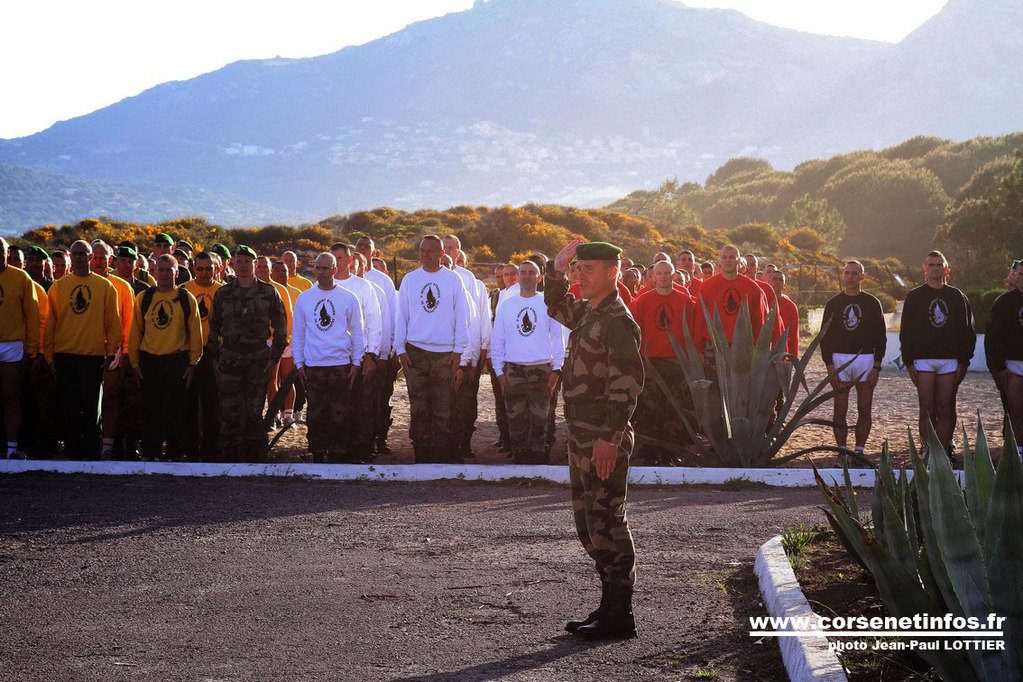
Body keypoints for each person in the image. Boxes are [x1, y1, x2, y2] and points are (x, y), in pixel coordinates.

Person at [546, 239, 643, 640]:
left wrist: (610, 437)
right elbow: (555, 304)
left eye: (588, 269)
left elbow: (628, 385)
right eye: (577, 268)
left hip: (604, 438)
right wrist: (555, 268)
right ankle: (608, 605)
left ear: (612, 273)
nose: (578, 276)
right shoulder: (589, 312)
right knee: (590, 525)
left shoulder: (617, 321)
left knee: (609, 522)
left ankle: (621, 614)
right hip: (582, 437)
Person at [394, 235, 471, 463]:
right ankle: (422, 454)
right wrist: (400, 348)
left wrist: (459, 351)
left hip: (445, 353)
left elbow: (461, 316)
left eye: (429, 251)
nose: (424, 255)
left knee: (443, 405)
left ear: (440, 254)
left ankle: (441, 456)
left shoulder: (453, 280)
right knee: (419, 405)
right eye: (421, 250)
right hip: (416, 351)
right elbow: (402, 316)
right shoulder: (410, 279)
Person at [207, 246, 288, 463]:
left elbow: (281, 329)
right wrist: (214, 358)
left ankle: (254, 458)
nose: (243, 265)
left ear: (255, 264)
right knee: (228, 412)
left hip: (257, 360)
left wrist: (274, 358)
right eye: (239, 261)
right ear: (232, 264)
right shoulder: (223, 293)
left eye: (247, 261)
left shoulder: (269, 292)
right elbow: (214, 327)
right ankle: (227, 458)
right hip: (229, 359)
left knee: (254, 412)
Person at [44, 240, 122, 459]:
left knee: (91, 410)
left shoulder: (105, 286)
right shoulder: (58, 286)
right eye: (75, 253)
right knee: (68, 409)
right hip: (65, 356)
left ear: (90, 257)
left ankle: (90, 455)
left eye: (83, 254)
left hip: (93, 357)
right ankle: (70, 454)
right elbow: (50, 324)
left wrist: (111, 353)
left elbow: (113, 324)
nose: (79, 257)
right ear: (70, 257)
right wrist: (49, 357)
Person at [899, 251, 976, 457]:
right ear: (925, 268)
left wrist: (963, 361)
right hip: (922, 360)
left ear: (945, 268)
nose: (935, 268)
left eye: (939, 264)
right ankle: (926, 449)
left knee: (945, 406)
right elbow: (906, 332)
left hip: (950, 360)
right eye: (931, 265)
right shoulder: (914, 297)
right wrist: (909, 362)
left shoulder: (957, 296)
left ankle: (943, 450)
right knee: (926, 408)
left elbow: (967, 331)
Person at [128, 255, 203, 461]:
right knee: (150, 411)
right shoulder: (144, 298)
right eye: (160, 270)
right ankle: (150, 454)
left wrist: (192, 364)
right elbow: (135, 332)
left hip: (177, 362)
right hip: (149, 361)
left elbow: (196, 334)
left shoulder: (187, 299)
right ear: (154, 272)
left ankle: (175, 454)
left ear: (176, 273)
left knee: (176, 412)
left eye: (169, 270)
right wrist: (134, 363)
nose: (164, 274)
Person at [292, 253, 365, 463]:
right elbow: (298, 333)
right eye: (318, 268)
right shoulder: (305, 298)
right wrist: (299, 363)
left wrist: (357, 362)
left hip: (340, 365)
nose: (321, 272)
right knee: (315, 413)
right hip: (314, 366)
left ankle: (338, 454)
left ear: (335, 269)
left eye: (325, 268)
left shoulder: (348, 297)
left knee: (340, 413)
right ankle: (317, 452)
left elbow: (357, 332)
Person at [491, 260, 565, 464]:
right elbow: (498, 339)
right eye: (523, 272)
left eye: (531, 273)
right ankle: (520, 458)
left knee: (540, 416)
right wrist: (498, 370)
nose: (526, 276)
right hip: (513, 367)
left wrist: (557, 368)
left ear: (539, 277)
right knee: (515, 417)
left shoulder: (547, 303)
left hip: (540, 367)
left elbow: (558, 338)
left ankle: (539, 458)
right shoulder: (506, 304)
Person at [628, 260, 695, 464]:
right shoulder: (643, 301)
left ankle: (672, 453)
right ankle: (649, 451)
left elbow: (694, 334)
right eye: (660, 273)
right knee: (650, 408)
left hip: (678, 363)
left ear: (674, 275)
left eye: (668, 273)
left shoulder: (687, 302)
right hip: (650, 363)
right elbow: (635, 334)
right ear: (653, 277)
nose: (664, 276)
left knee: (675, 409)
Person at [820, 261, 887, 460]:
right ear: (843, 276)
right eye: (847, 273)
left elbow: (881, 337)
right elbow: (824, 338)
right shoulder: (833, 303)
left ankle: (859, 451)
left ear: (862, 277)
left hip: (865, 359)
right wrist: (829, 365)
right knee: (840, 408)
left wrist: (876, 365)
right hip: (839, 359)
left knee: (864, 408)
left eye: (855, 273)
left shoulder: (872, 303)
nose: (850, 276)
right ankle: (842, 450)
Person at [330, 243, 384, 462]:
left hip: (360, 358)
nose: (337, 264)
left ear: (350, 261)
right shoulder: (323, 287)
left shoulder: (362, 287)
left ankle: (361, 451)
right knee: (336, 408)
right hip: (333, 358)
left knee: (362, 407)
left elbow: (374, 323)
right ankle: (337, 451)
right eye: (332, 259)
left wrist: (371, 355)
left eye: (340, 259)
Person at [442, 236, 488, 459]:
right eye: (444, 247)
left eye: (451, 248)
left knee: (465, 402)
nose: (447, 251)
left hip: (466, 353)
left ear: (459, 252)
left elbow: (475, 320)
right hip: (440, 354)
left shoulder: (468, 279)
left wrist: (472, 357)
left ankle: (464, 442)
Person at [90, 240, 135, 459]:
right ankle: (86, 444)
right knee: (87, 402)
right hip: (85, 351)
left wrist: (124, 352)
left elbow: (129, 323)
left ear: (111, 260)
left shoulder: (123, 286)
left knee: (110, 400)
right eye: (95, 257)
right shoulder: (76, 282)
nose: (99, 262)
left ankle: (106, 448)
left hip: (114, 353)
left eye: (103, 257)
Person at [358, 237, 400, 454]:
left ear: (374, 253)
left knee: (381, 398)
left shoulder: (382, 282)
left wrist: (388, 352)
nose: (362, 249)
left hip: (381, 352)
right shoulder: (344, 280)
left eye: (367, 246)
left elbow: (391, 319)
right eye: (359, 246)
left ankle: (379, 438)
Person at [0, 238, 41, 459]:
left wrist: (32, 348)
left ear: (8, 252)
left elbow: (32, 315)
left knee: (11, 397)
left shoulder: (21, 278)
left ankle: (12, 448)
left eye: (1, 250)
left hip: (12, 345)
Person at [691, 245, 768, 359]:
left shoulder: (752, 288)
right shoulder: (707, 286)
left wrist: (758, 350)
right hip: (713, 347)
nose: (727, 260)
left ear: (738, 261)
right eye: (724, 257)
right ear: (719, 261)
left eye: (732, 257)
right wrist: (698, 349)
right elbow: (699, 320)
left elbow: (758, 321)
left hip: (743, 348)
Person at [183, 252, 224, 459]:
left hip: (214, 353)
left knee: (212, 404)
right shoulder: (183, 291)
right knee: (188, 404)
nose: (205, 272)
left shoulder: (224, 292)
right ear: (193, 268)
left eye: (209, 268)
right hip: (189, 352)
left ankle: (211, 450)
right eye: (200, 268)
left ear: (217, 269)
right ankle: (189, 448)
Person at [985, 259, 1023, 455]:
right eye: (1022, 274)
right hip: (1012, 365)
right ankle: (1017, 452)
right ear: (1015, 276)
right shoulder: (1003, 303)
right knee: (1014, 410)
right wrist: (998, 367)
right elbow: (993, 338)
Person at [270, 260, 303, 427]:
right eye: (276, 270)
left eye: (284, 270)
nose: (281, 273)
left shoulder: (297, 292)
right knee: (272, 380)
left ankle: (288, 414)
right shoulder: (268, 290)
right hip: (272, 341)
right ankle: (274, 414)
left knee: (288, 378)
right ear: (271, 272)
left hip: (291, 342)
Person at [769, 270, 800, 358]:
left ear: (784, 284)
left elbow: (794, 336)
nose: (777, 282)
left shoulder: (791, 306)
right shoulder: (763, 301)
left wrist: (793, 358)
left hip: (782, 354)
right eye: (774, 279)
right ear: (768, 282)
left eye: (781, 280)